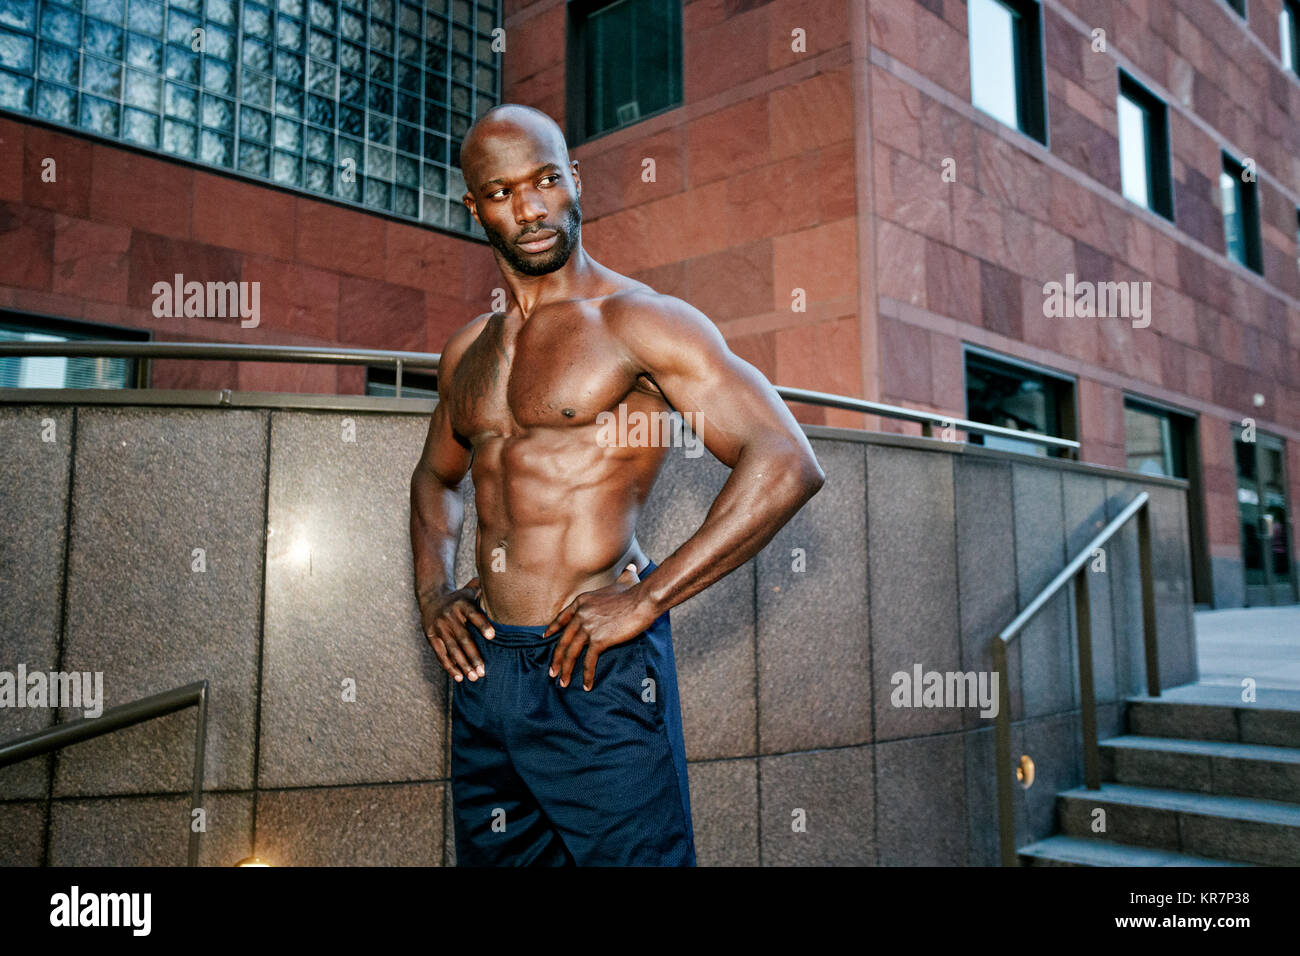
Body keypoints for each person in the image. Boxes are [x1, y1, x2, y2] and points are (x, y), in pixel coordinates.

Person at [409, 103, 825, 866]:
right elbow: (436, 478)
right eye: (501, 193)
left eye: (545, 180)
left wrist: (649, 596)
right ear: (475, 208)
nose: (529, 209)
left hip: (594, 668)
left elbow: (785, 460)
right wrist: (434, 592)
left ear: (575, 180)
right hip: (488, 674)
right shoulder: (467, 350)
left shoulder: (639, 321)